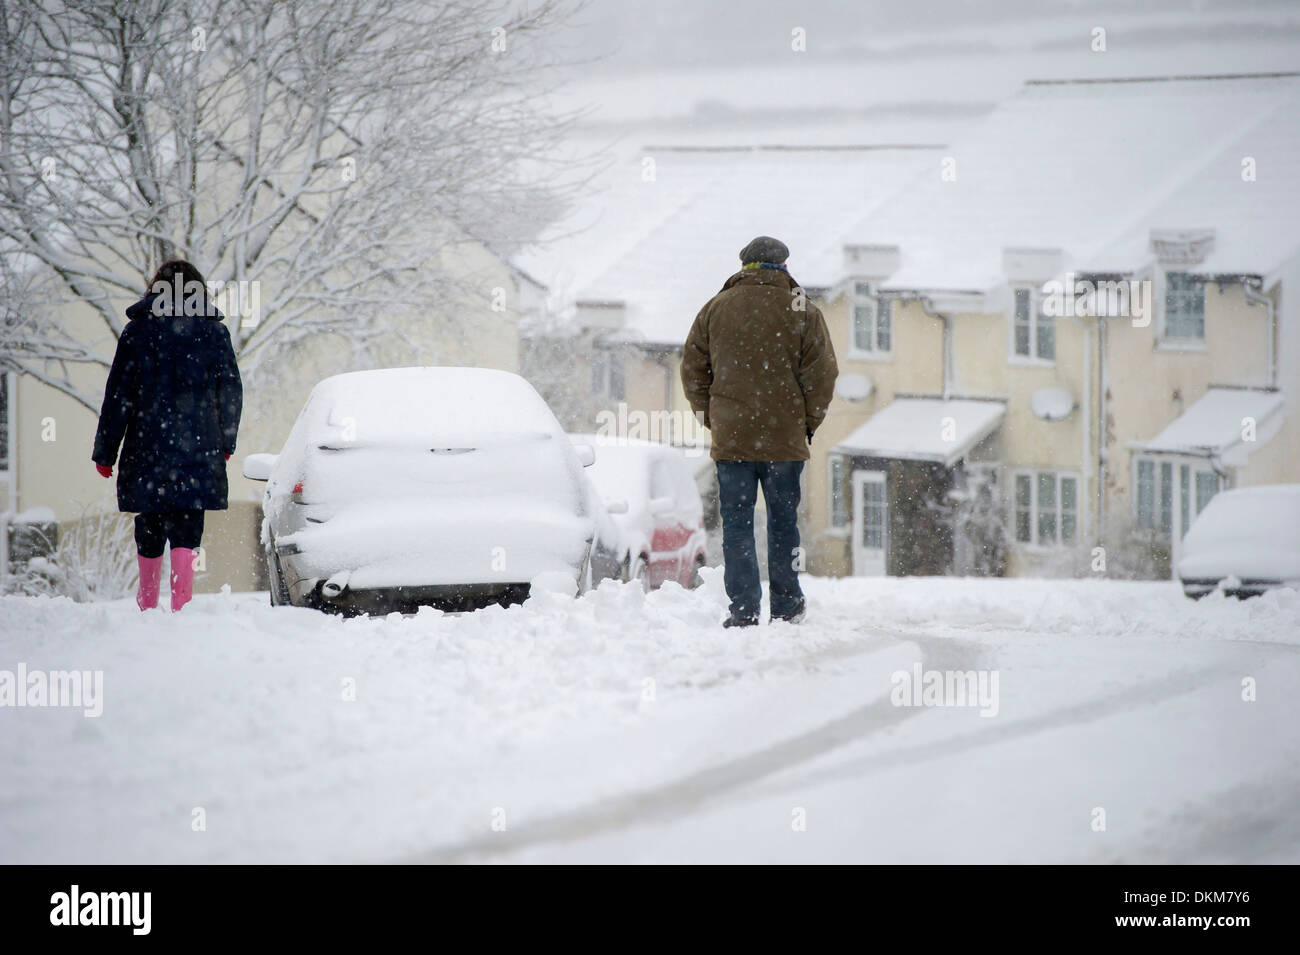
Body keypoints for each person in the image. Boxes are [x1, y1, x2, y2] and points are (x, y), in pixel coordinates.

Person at [681, 236, 838, 627]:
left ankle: (744, 609)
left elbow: (692, 370)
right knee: (784, 524)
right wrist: (806, 423)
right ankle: (786, 606)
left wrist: (713, 418)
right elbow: (823, 373)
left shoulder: (716, 307)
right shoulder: (803, 309)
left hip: (733, 441)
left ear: (744, 265)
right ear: (783, 265)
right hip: (784, 441)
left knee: (736, 525)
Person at [92, 260, 243, 611]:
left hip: (147, 448)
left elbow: (118, 395)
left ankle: (147, 602)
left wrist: (105, 451)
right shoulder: (214, 334)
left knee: (149, 523)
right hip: (199, 449)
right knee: (188, 526)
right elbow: (231, 392)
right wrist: (226, 442)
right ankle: (182, 604)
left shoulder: (137, 333)